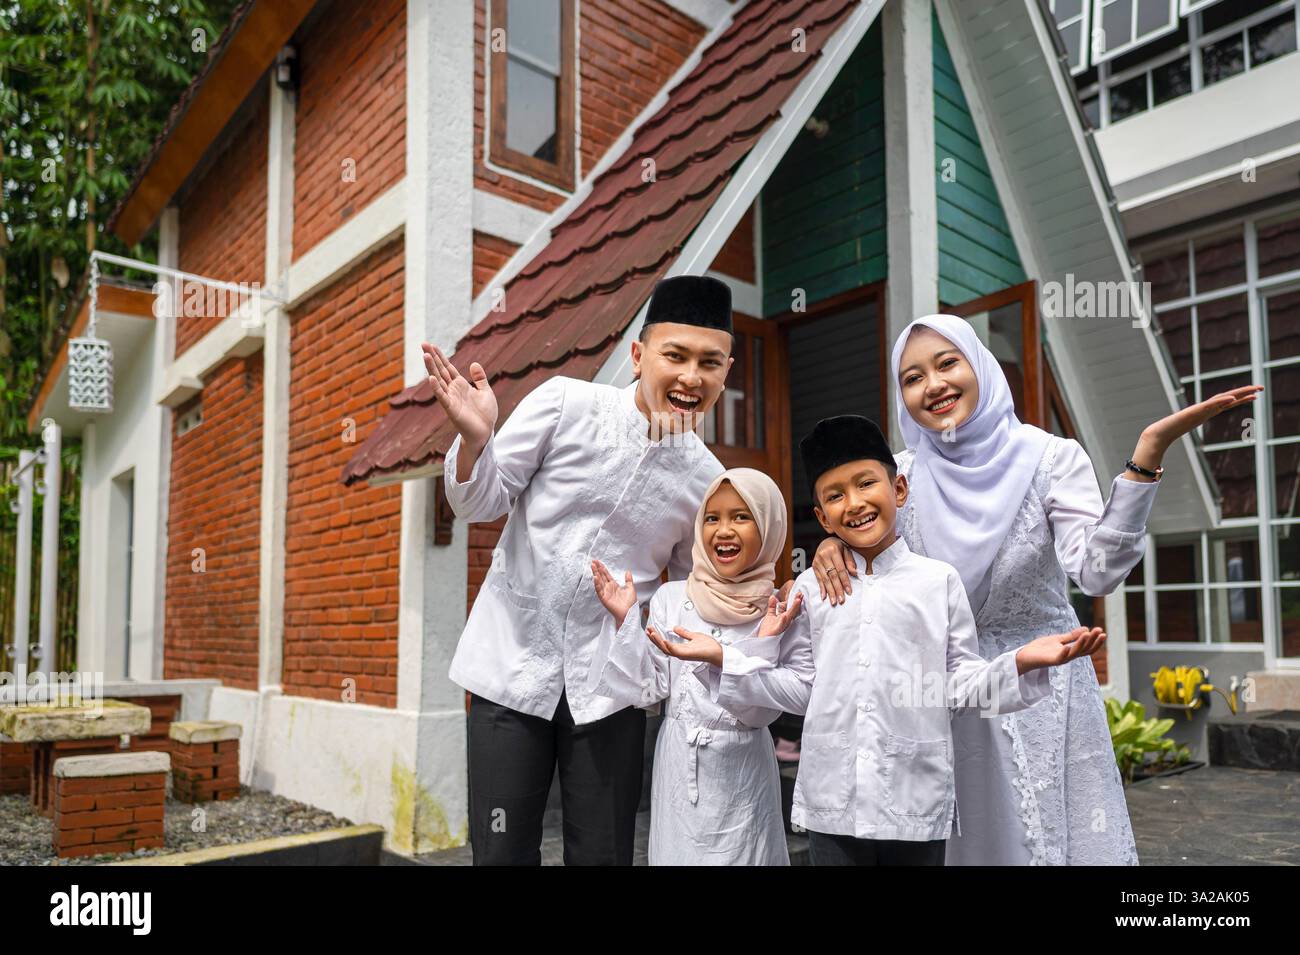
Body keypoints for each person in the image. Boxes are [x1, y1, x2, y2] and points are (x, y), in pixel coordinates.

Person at [811, 314, 1262, 865]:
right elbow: (871, 545)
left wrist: (1145, 458)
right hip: (944, 694)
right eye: (912, 377)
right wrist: (832, 546)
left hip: (1044, 691)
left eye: (947, 363)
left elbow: (1097, 573)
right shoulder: (900, 474)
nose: (933, 385)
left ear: (980, 365)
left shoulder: (1051, 459)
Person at [686, 415, 1105, 866]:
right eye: (835, 495)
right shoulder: (812, 588)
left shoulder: (938, 582)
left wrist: (1018, 662)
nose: (855, 503)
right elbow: (804, 687)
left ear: (899, 490)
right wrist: (722, 659)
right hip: (833, 801)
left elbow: (958, 686)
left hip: (915, 798)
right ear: (823, 518)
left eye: (866, 483)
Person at [426, 274, 734, 865]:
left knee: (604, 855)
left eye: (710, 362)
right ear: (640, 356)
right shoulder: (566, 403)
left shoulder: (706, 479)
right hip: (511, 669)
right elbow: (480, 502)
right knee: (500, 853)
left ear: (726, 373)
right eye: (675, 355)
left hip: (610, 690)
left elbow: (691, 597)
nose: (692, 377)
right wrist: (474, 441)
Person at [587, 468, 806, 865]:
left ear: (770, 525)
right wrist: (625, 622)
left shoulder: (778, 607)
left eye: (741, 516)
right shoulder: (672, 598)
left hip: (743, 773)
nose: (723, 530)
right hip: (678, 765)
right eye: (712, 517)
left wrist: (736, 653)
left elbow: (781, 703)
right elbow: (648, 687)